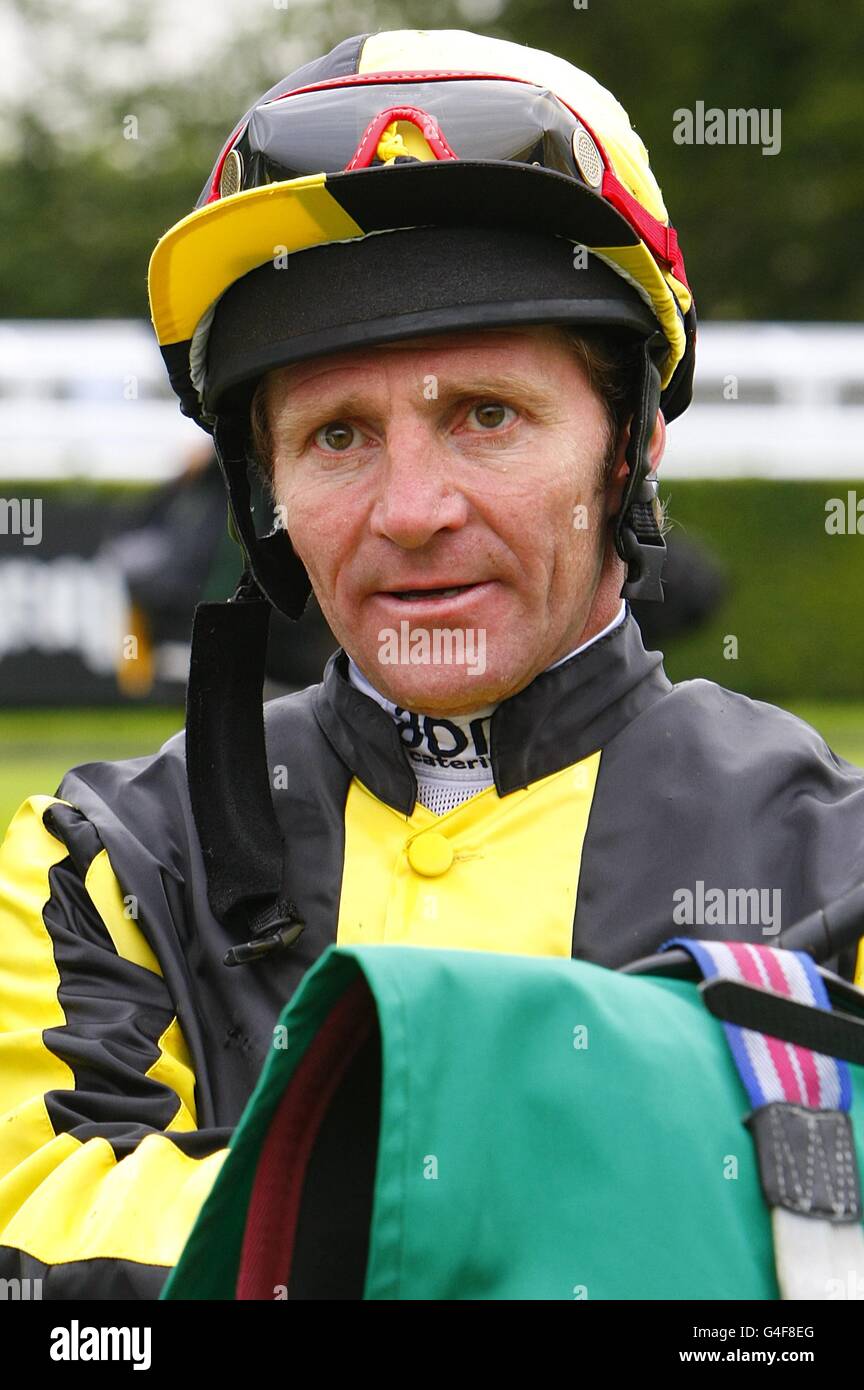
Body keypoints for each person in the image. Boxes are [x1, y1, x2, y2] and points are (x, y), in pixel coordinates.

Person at [1, 27, 863, 1300]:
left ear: (630, 452)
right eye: (339, 434)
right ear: (267, 491)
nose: (412, 508)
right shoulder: (99, 866)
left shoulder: (837, 866)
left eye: (487, 415)